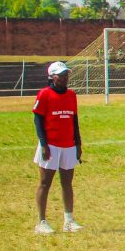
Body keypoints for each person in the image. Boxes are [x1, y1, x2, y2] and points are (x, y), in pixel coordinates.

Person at [33, 61, 83, 235]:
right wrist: (44, 144)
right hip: (51, 145)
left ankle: (68, 220)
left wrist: (78, 144)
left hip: (68, 145)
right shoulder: (44, 94)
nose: (64, 77)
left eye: (66, 74)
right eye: (61, 75)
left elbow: (74, 120)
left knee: (67, 183)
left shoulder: (71, 95)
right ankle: (41, 222)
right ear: (52, 76)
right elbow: (38, 120)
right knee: (45, 183)